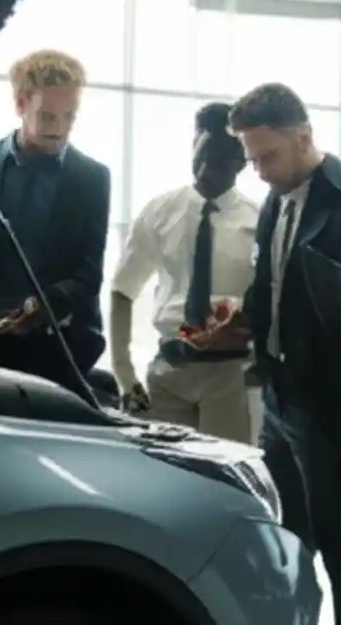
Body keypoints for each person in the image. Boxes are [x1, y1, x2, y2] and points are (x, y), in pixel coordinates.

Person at [208, 83, 341, 625]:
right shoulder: (277, 195)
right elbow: (271, 284)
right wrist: (241, 324)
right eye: (252, 158)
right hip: (280, 397)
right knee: (287, 539)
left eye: (268, 156)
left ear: (305, 136)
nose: (258, 170)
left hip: (329, 406)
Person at [109, 102, 262, 442]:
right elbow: (123, 288)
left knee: (227, 477)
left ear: (242, 162)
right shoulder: (160, 212)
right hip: (169, 370)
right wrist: (124, 371)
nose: (205, 170)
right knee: (166, 475)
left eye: (220, 160)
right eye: (200, 156)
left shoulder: (258, 221)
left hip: (231, 375)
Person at [0, 49, 111, 391]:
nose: (59, 129)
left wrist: (44, 307)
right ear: (20, 104)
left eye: (70, 116)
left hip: (58, 345)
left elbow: (89, 273)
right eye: (47, 116)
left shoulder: (91, 178)